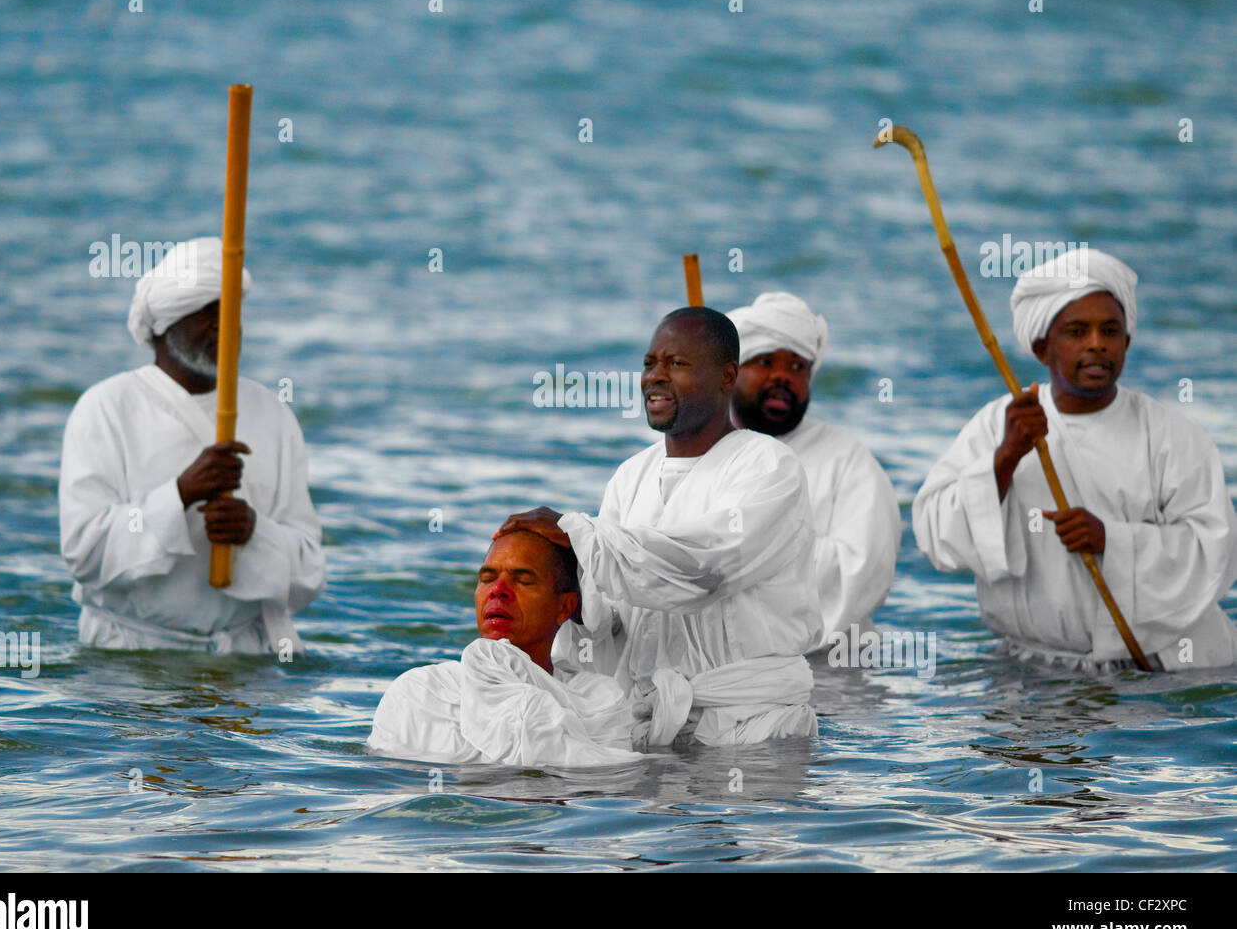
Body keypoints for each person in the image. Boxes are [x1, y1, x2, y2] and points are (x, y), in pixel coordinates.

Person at [496, 307, 823, 747]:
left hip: (754, 729)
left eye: (677, 364)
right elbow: (613, 611)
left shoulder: (769, 467)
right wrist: (560, 596)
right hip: (653, 727)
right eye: (650, 363)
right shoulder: (631, 476)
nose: (655, 376)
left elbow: (703, 571)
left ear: (727, 377)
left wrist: (576, 533)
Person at [913, 248, 1237, 672]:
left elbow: (1216, 551)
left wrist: (1112, 541)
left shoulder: (1172, 435)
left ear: (1127, 341)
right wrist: (1006, 457)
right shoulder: (998, 423)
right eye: (1077, 331)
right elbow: (936, 536)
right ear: (1043, 348)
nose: (1097, 344)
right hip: (1032, 672)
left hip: (1159, 672)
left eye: (1110, 330)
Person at [59, 237, 326, 654]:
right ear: (165, 323)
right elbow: (83, 554)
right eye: (208, 313)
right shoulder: (105, 408)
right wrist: (179, 495)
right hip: (129, 662)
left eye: (232, 312)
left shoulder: (273, 414)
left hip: (245, 662)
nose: (224, 325)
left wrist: (255, 533)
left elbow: (310, 573)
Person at [367, 529, 639, 767]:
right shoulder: (421, 692)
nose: (498, 590)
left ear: (564, 606)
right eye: (487, 578)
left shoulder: (601, 702)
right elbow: (385, 785)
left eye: (523, 580)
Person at [728, 292, 901, 644]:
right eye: (764, 362)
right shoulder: (694, 453)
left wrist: (747, 545)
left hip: (833, 676)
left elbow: (863, 573)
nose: (782, 377)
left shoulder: (848, 460)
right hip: (721, 676)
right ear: (730, 374)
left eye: (797, 367)